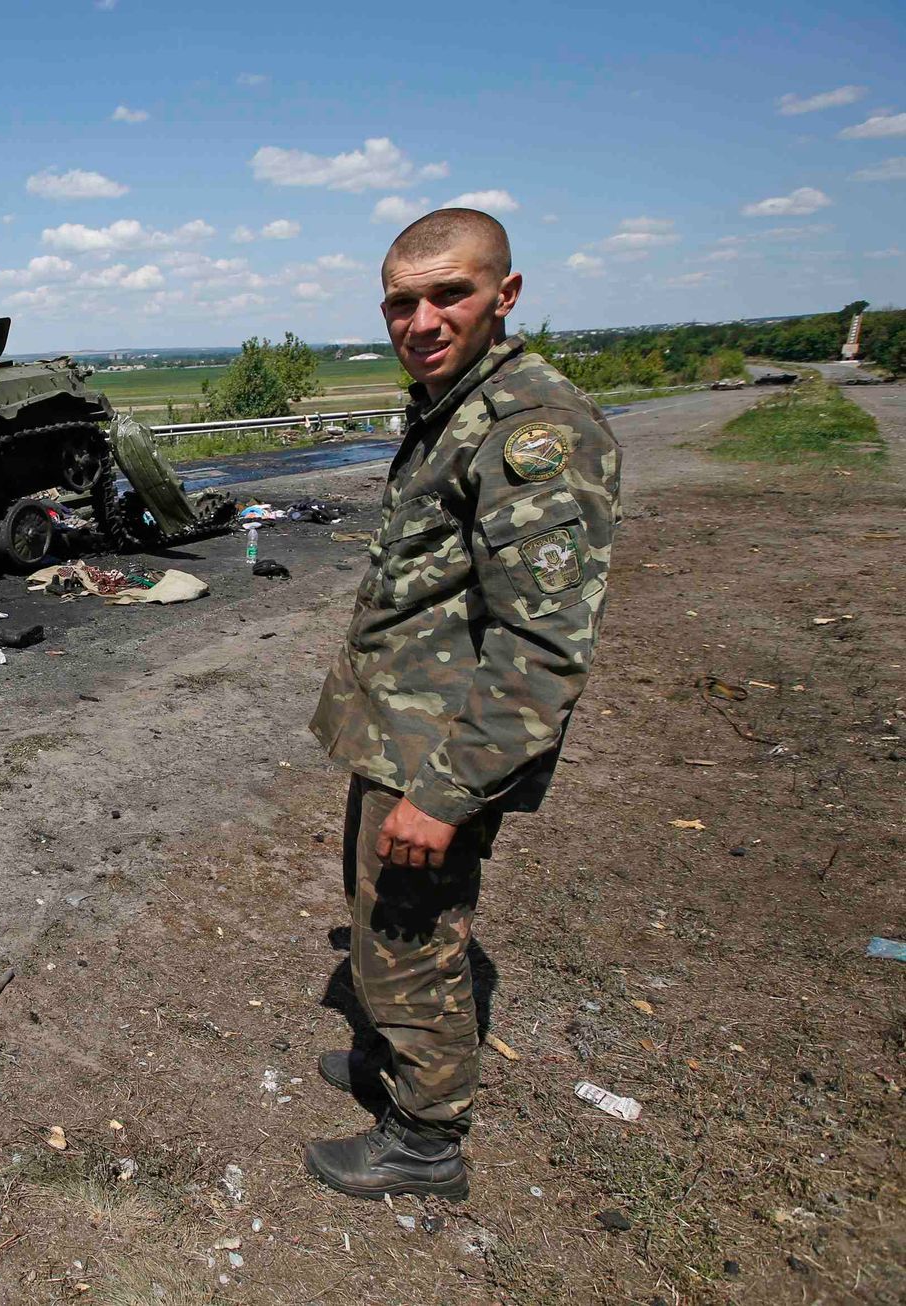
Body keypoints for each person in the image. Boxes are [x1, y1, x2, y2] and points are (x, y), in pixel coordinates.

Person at [303, 208, 621, 1200]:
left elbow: (541, 644)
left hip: (442, 747)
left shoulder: (532, 429)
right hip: (401, 724)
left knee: (410, 934)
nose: (423, 319)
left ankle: (424, 1136)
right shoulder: (456, 406)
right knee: (377, 919)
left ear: (505, 297)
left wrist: (442, 795)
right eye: (402, 301)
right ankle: (392, 1058)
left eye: (450, 295)